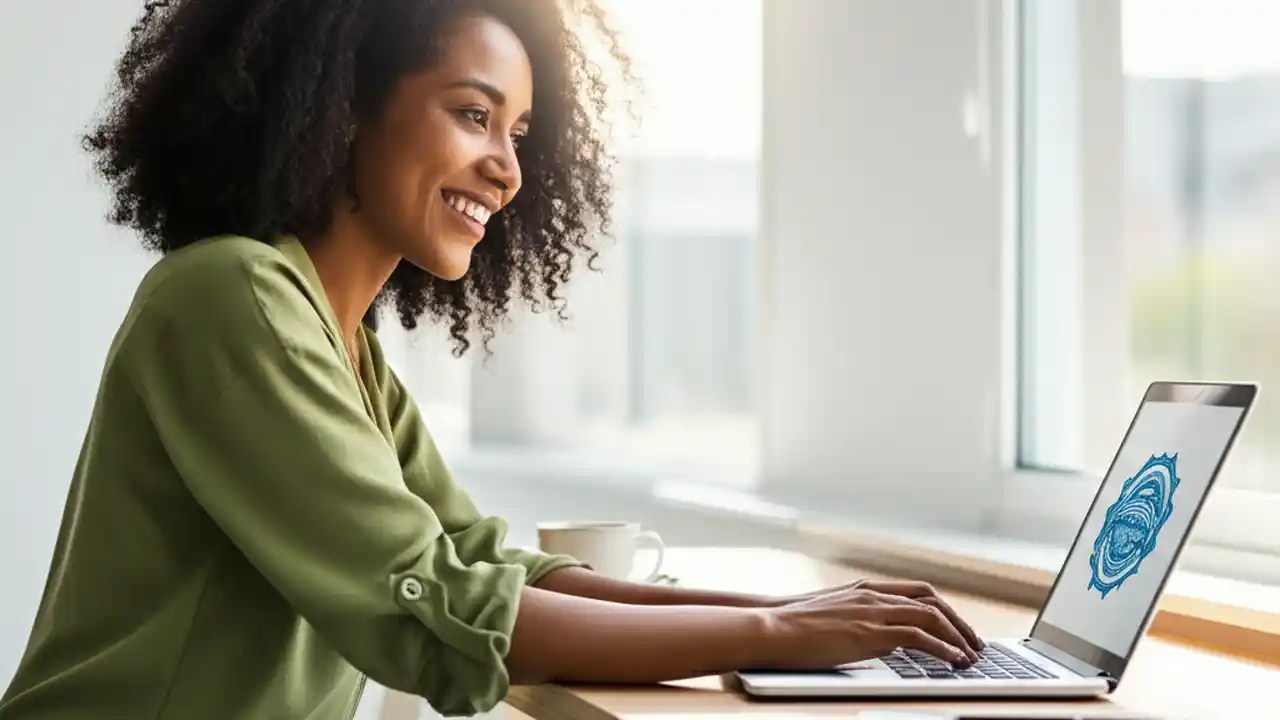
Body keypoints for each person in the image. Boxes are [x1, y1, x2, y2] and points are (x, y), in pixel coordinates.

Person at [0, 1, 983, 718]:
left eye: (516, 132)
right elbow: (434, 604)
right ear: (345, 106)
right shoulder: (231, 297)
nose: (509, 169)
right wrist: (773, 635)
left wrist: (790, 609)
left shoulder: (344, 346)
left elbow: (484, 560)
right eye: (472, 115)